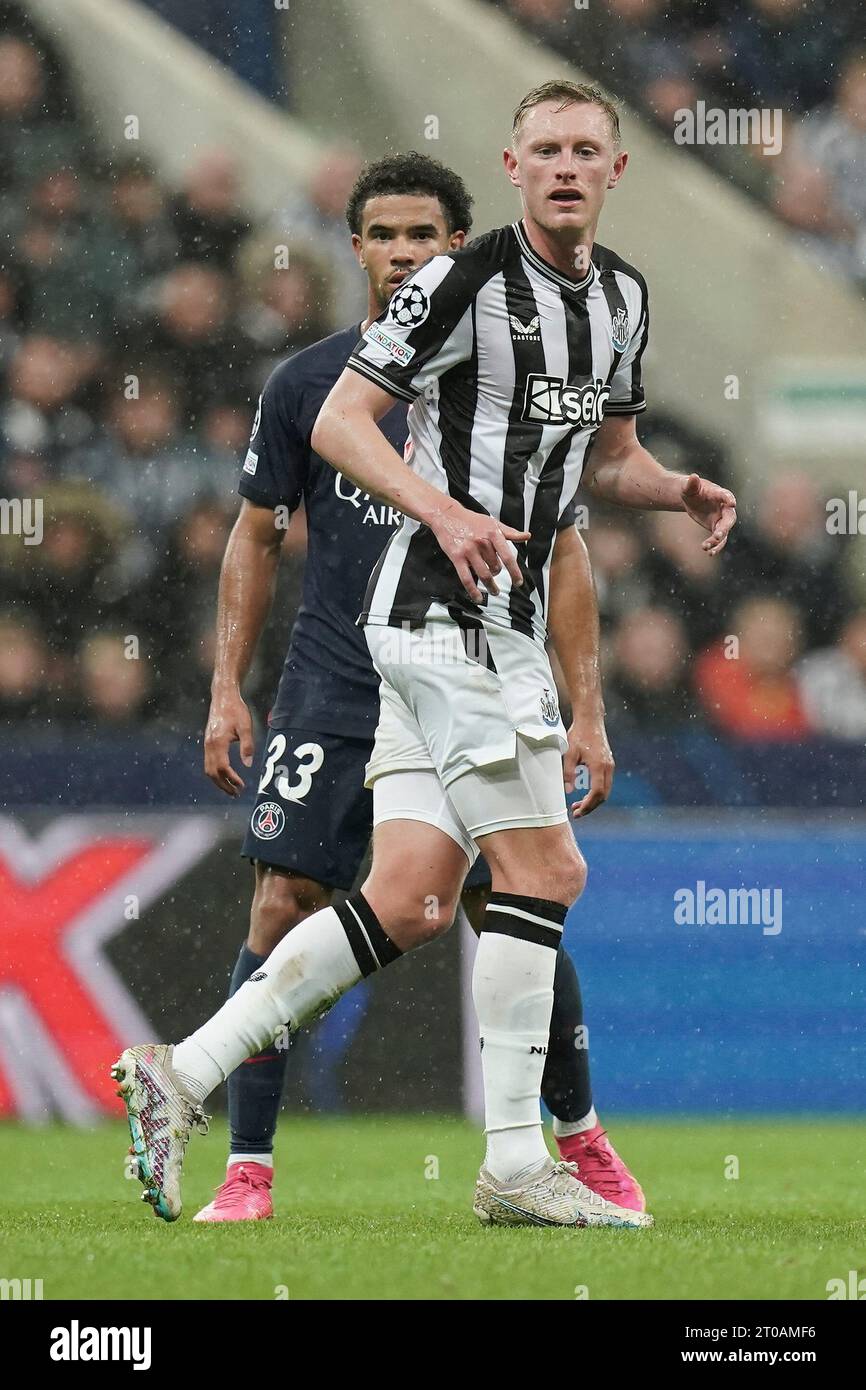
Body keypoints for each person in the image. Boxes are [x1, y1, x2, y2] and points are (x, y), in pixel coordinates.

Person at [113, 82, 736, 1229]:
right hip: (435, 616)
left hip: (485, 625)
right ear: (510, 165)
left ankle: (183, 1073)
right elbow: (340, 421)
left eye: (582, 149)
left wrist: (670, 487)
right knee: (545, 876)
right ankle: (514, 1164)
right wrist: (442, 512)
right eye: (543, 148)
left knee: (407, 899)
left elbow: (598, 463)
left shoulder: (622, 300)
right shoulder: (463, 279)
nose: (562, 165)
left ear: (615, 169)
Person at [195, 152, 641, 1221]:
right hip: (334, 682)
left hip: (469, 664)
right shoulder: (308, 382)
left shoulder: (504, 363)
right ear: (353, 246)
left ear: (458, 247)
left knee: (512, 895)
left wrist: (587, 706)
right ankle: (245, 1166)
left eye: (424, 236)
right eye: (382, 234)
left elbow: (566, 545)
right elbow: (255, 537)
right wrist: (226, 684)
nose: (402, 254)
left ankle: (571, 1139)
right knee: (282, 896)